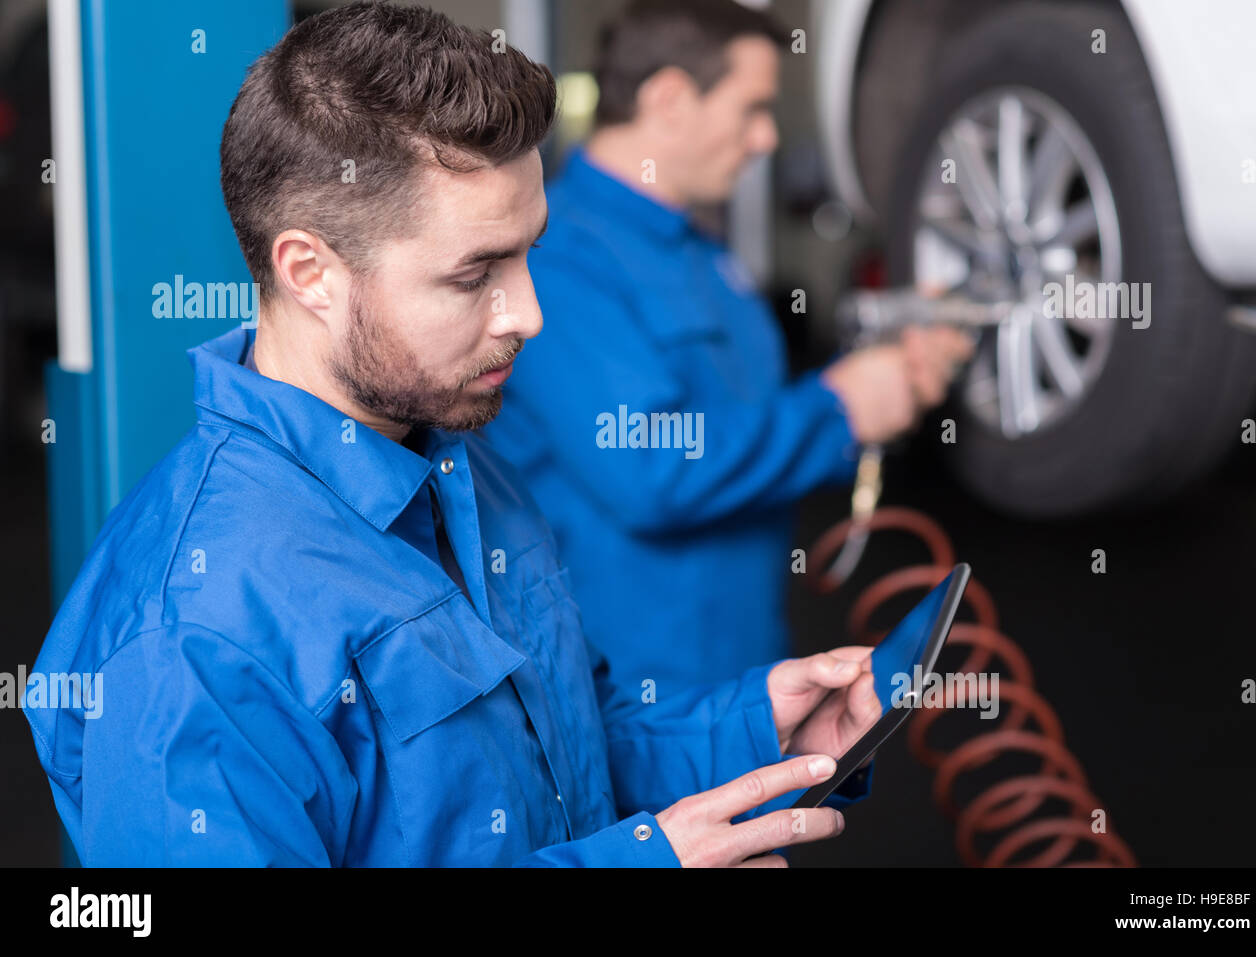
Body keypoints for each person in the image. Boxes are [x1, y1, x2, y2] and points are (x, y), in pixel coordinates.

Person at [24, 1, 883, 868]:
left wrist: (752, 730)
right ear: (309, 271)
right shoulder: (191, 633)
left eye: (526, 254)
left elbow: (563, 759)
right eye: (474, 274)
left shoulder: (467, 465)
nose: (530, 314)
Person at [482, 0, 974, 699]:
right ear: (670, 98)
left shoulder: (704, 255)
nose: (768, 137)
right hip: (636, 695)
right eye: (752, 108)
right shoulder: (559, 255)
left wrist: (883, 394)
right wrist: (839, 408)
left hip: (747, 665)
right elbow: (650, 463)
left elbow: (747, 420)